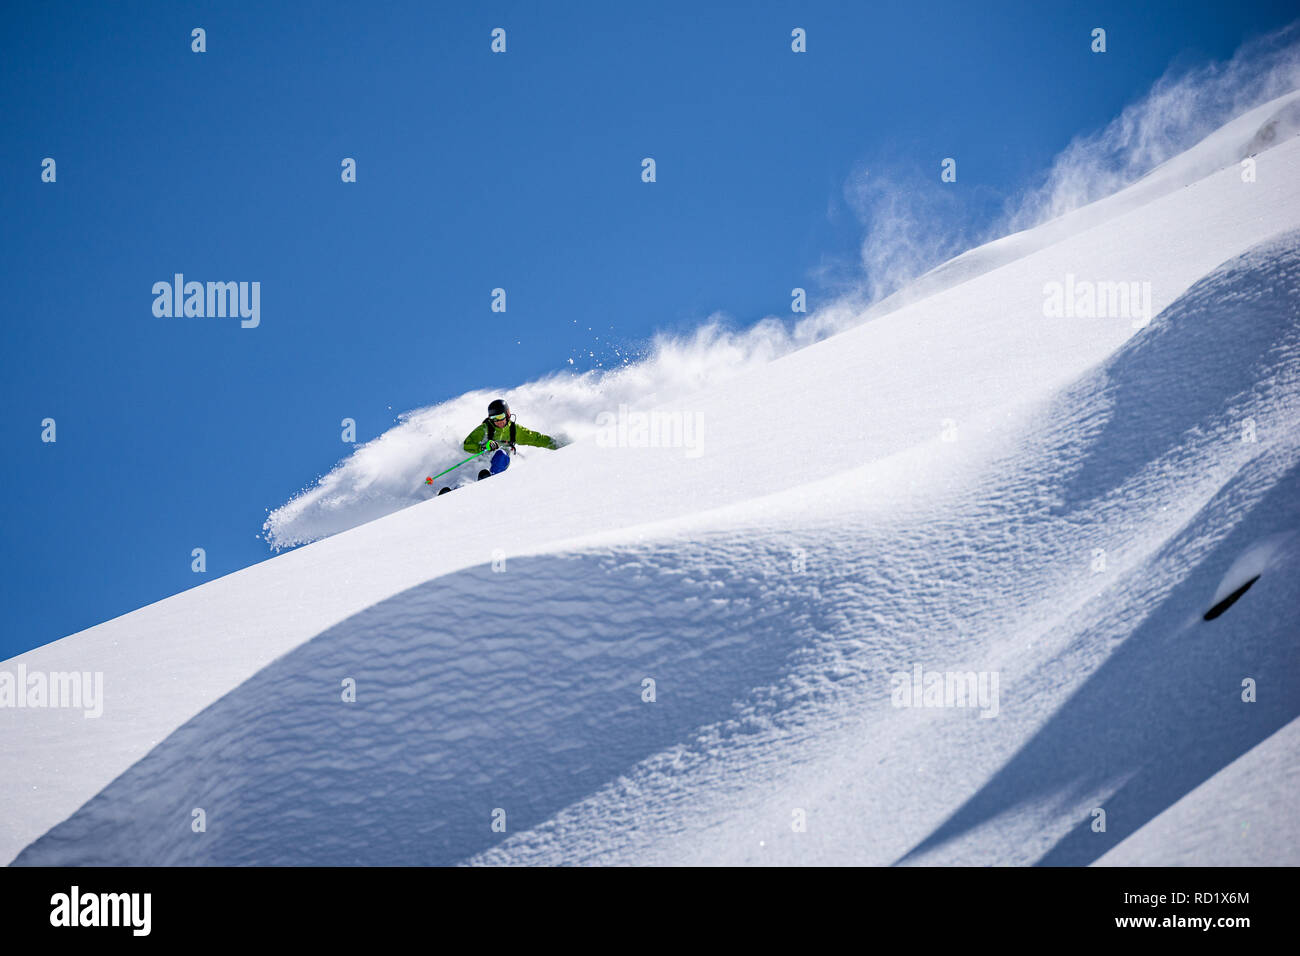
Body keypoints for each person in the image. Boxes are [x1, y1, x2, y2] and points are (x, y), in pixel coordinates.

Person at [463, 399, 559, 479]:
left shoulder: (514, 430)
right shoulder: (484, 429)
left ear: (507, 414)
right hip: (483, 460)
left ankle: (491, 478)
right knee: (474, 470)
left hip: (502, 462)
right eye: (494, 418)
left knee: (501, 454)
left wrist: (558, 445)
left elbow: (536, 439)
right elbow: (467, 445)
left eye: (501, 417)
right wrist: (483, 447)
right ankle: (460, 486)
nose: (498, 421)